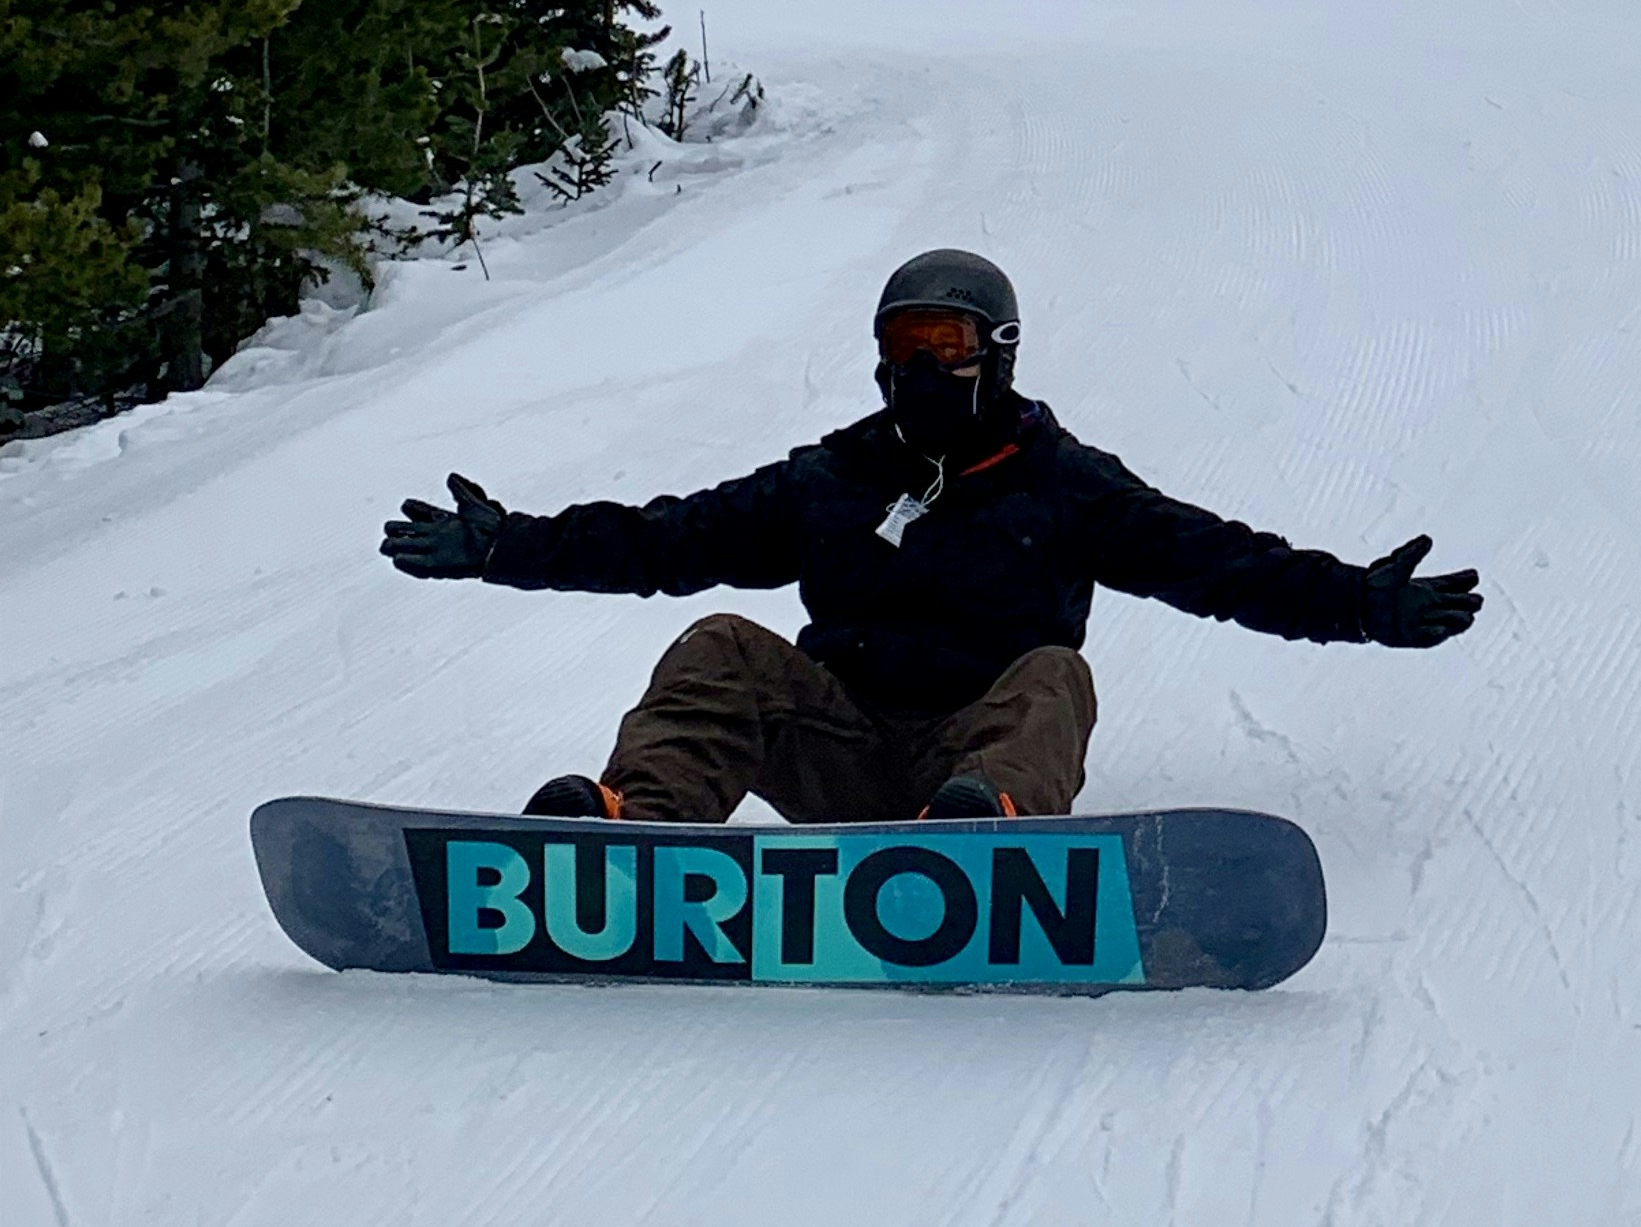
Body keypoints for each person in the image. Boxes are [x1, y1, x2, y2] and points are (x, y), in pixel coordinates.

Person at [379, 245, 1482, 825]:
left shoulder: (1066, 486)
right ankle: (635, 834)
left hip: (971, 762)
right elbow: (667, 541)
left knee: (1052, 670)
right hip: (847, 748)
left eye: (942, 339)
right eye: (901, 342)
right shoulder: (834, 480)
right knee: (722, 643)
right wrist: (504, 545)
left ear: (995, 352)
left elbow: (1219, 563)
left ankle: (986, 835)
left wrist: (1359, 606)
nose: (919, 364)